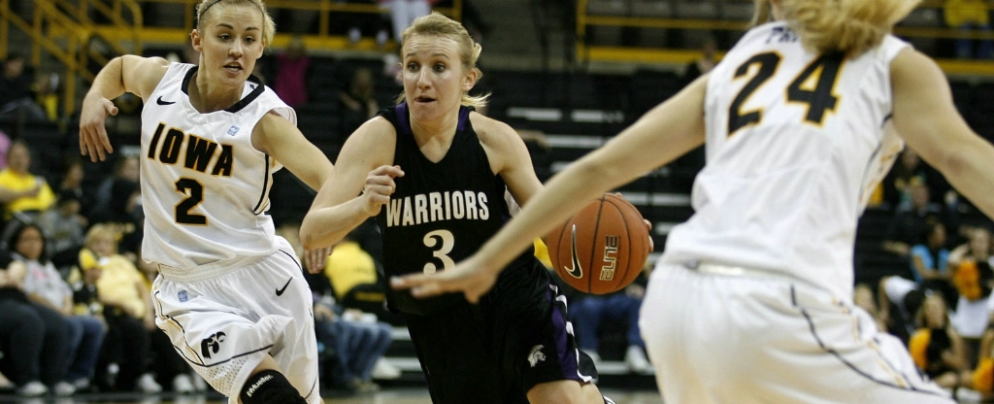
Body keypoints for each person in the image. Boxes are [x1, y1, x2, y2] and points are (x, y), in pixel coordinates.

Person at [392, 0, 994, 402]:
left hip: (678, 304)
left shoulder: (745, 57)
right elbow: (965, 158)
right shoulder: (895, 64)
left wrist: (488, 259)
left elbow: (600, 167)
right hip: (778, 297)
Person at [300, 12, 612, 404]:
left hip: (512, 296)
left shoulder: (495, 140)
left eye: (439, 67)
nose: (422, 79)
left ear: (468, 79)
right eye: (412, 66)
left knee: (560, 397)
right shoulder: (376, 138)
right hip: (438, 319)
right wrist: (364, 205)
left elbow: (553, 224)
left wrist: (609, 242)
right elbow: (313, 232)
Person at [77, 0, 336, 402]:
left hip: (265, 275)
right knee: (269, 395)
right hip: (190, 289)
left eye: (250, 39)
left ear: (261, 48)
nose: (237, 49)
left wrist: (327, 225)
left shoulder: (265, 121)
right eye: (225, 36)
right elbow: (122, 67)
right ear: (198, 40)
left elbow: (329, 179)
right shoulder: (160, 82)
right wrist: (94, 97)